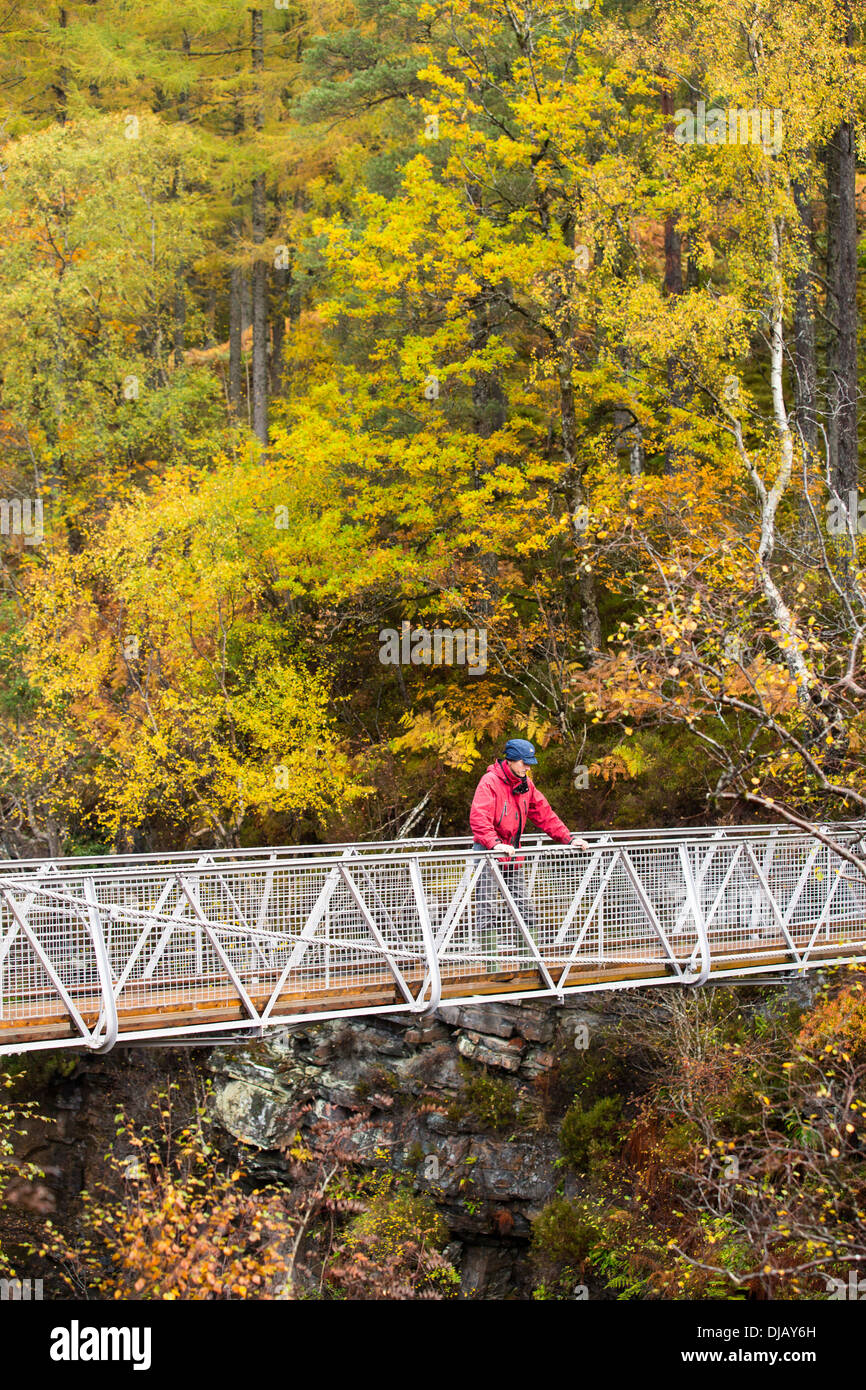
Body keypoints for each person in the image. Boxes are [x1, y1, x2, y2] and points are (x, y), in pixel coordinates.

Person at [468, 737, 589, 952]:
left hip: (513, 853)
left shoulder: (526, 784)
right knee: (487, 908)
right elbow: (479, 817)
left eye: (529, 763)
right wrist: (494, 844)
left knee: (525, 906)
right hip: (489, 852)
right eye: (524, 763)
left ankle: (529, 962)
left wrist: (568, 838)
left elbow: (544, 814)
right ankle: (491, 966)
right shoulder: (489, 782)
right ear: (511, 760)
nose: (527, 767)